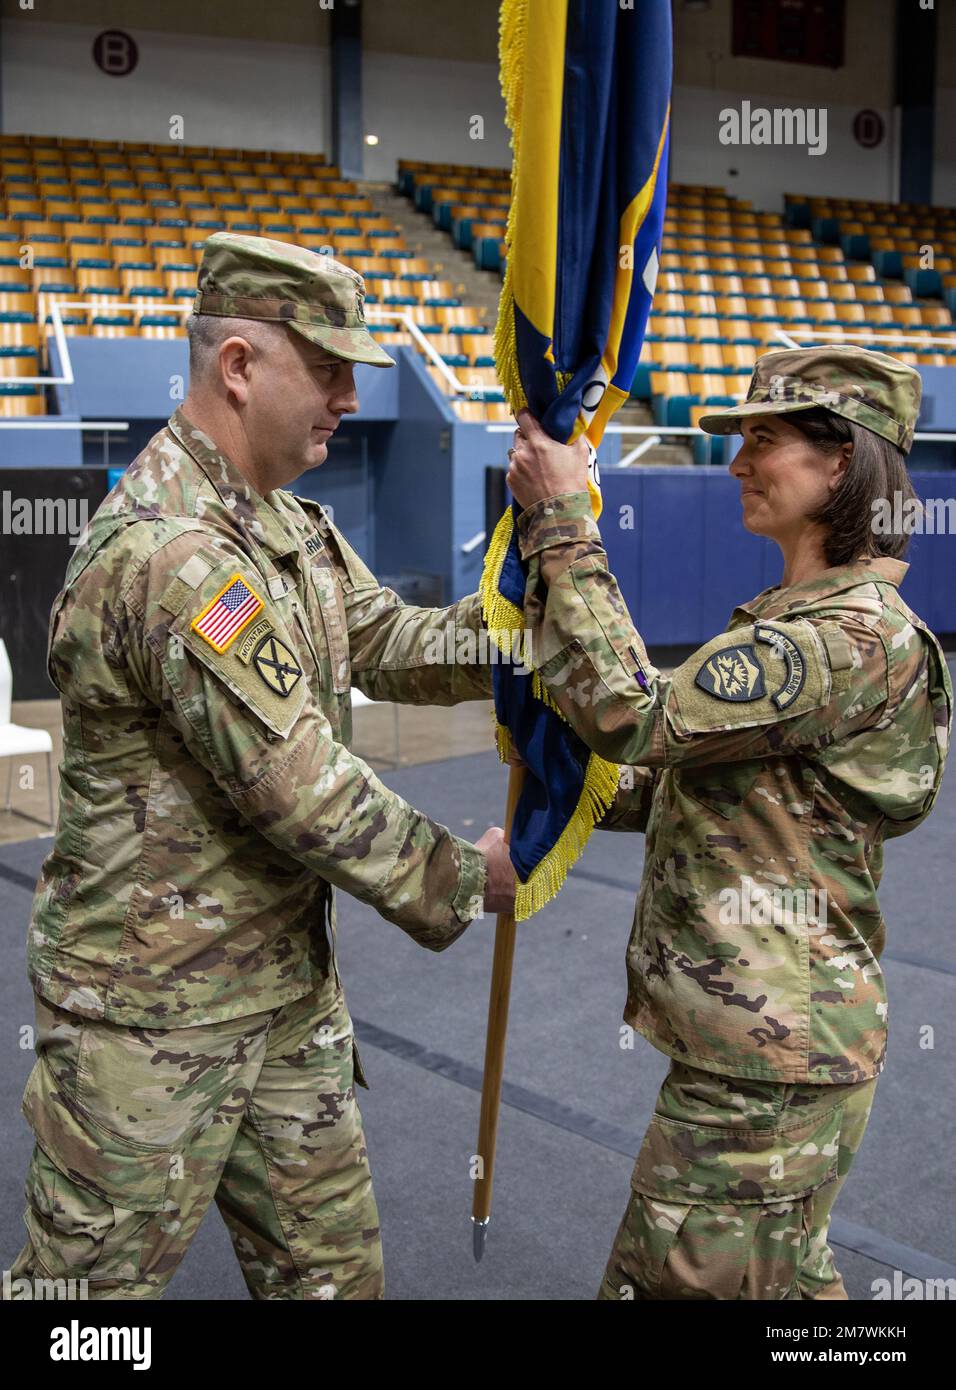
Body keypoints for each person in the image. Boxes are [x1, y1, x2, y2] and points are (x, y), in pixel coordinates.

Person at [5, 232, 514, 1301]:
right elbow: (303, 788)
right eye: (325, 367)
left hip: (282, 997)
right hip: (149, 1021)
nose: (345, 394)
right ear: (238, 365)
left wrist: (512, 637)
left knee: (331, 1281)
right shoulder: (172, 554)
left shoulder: (286, 523)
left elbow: (385, 639)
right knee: (87, 1312)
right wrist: (469, 879)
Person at [504, 345, 952, 1300]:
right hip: (775, 1053)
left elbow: (638, 717)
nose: (740, 462)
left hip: (771, 1063)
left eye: (766, 439)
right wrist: (554, 787)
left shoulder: (838, 638)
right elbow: (704, 793)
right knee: (779, 1284)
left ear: (842, 463)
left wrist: (562, 522)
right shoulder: (808, 621)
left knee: (675, 1285)